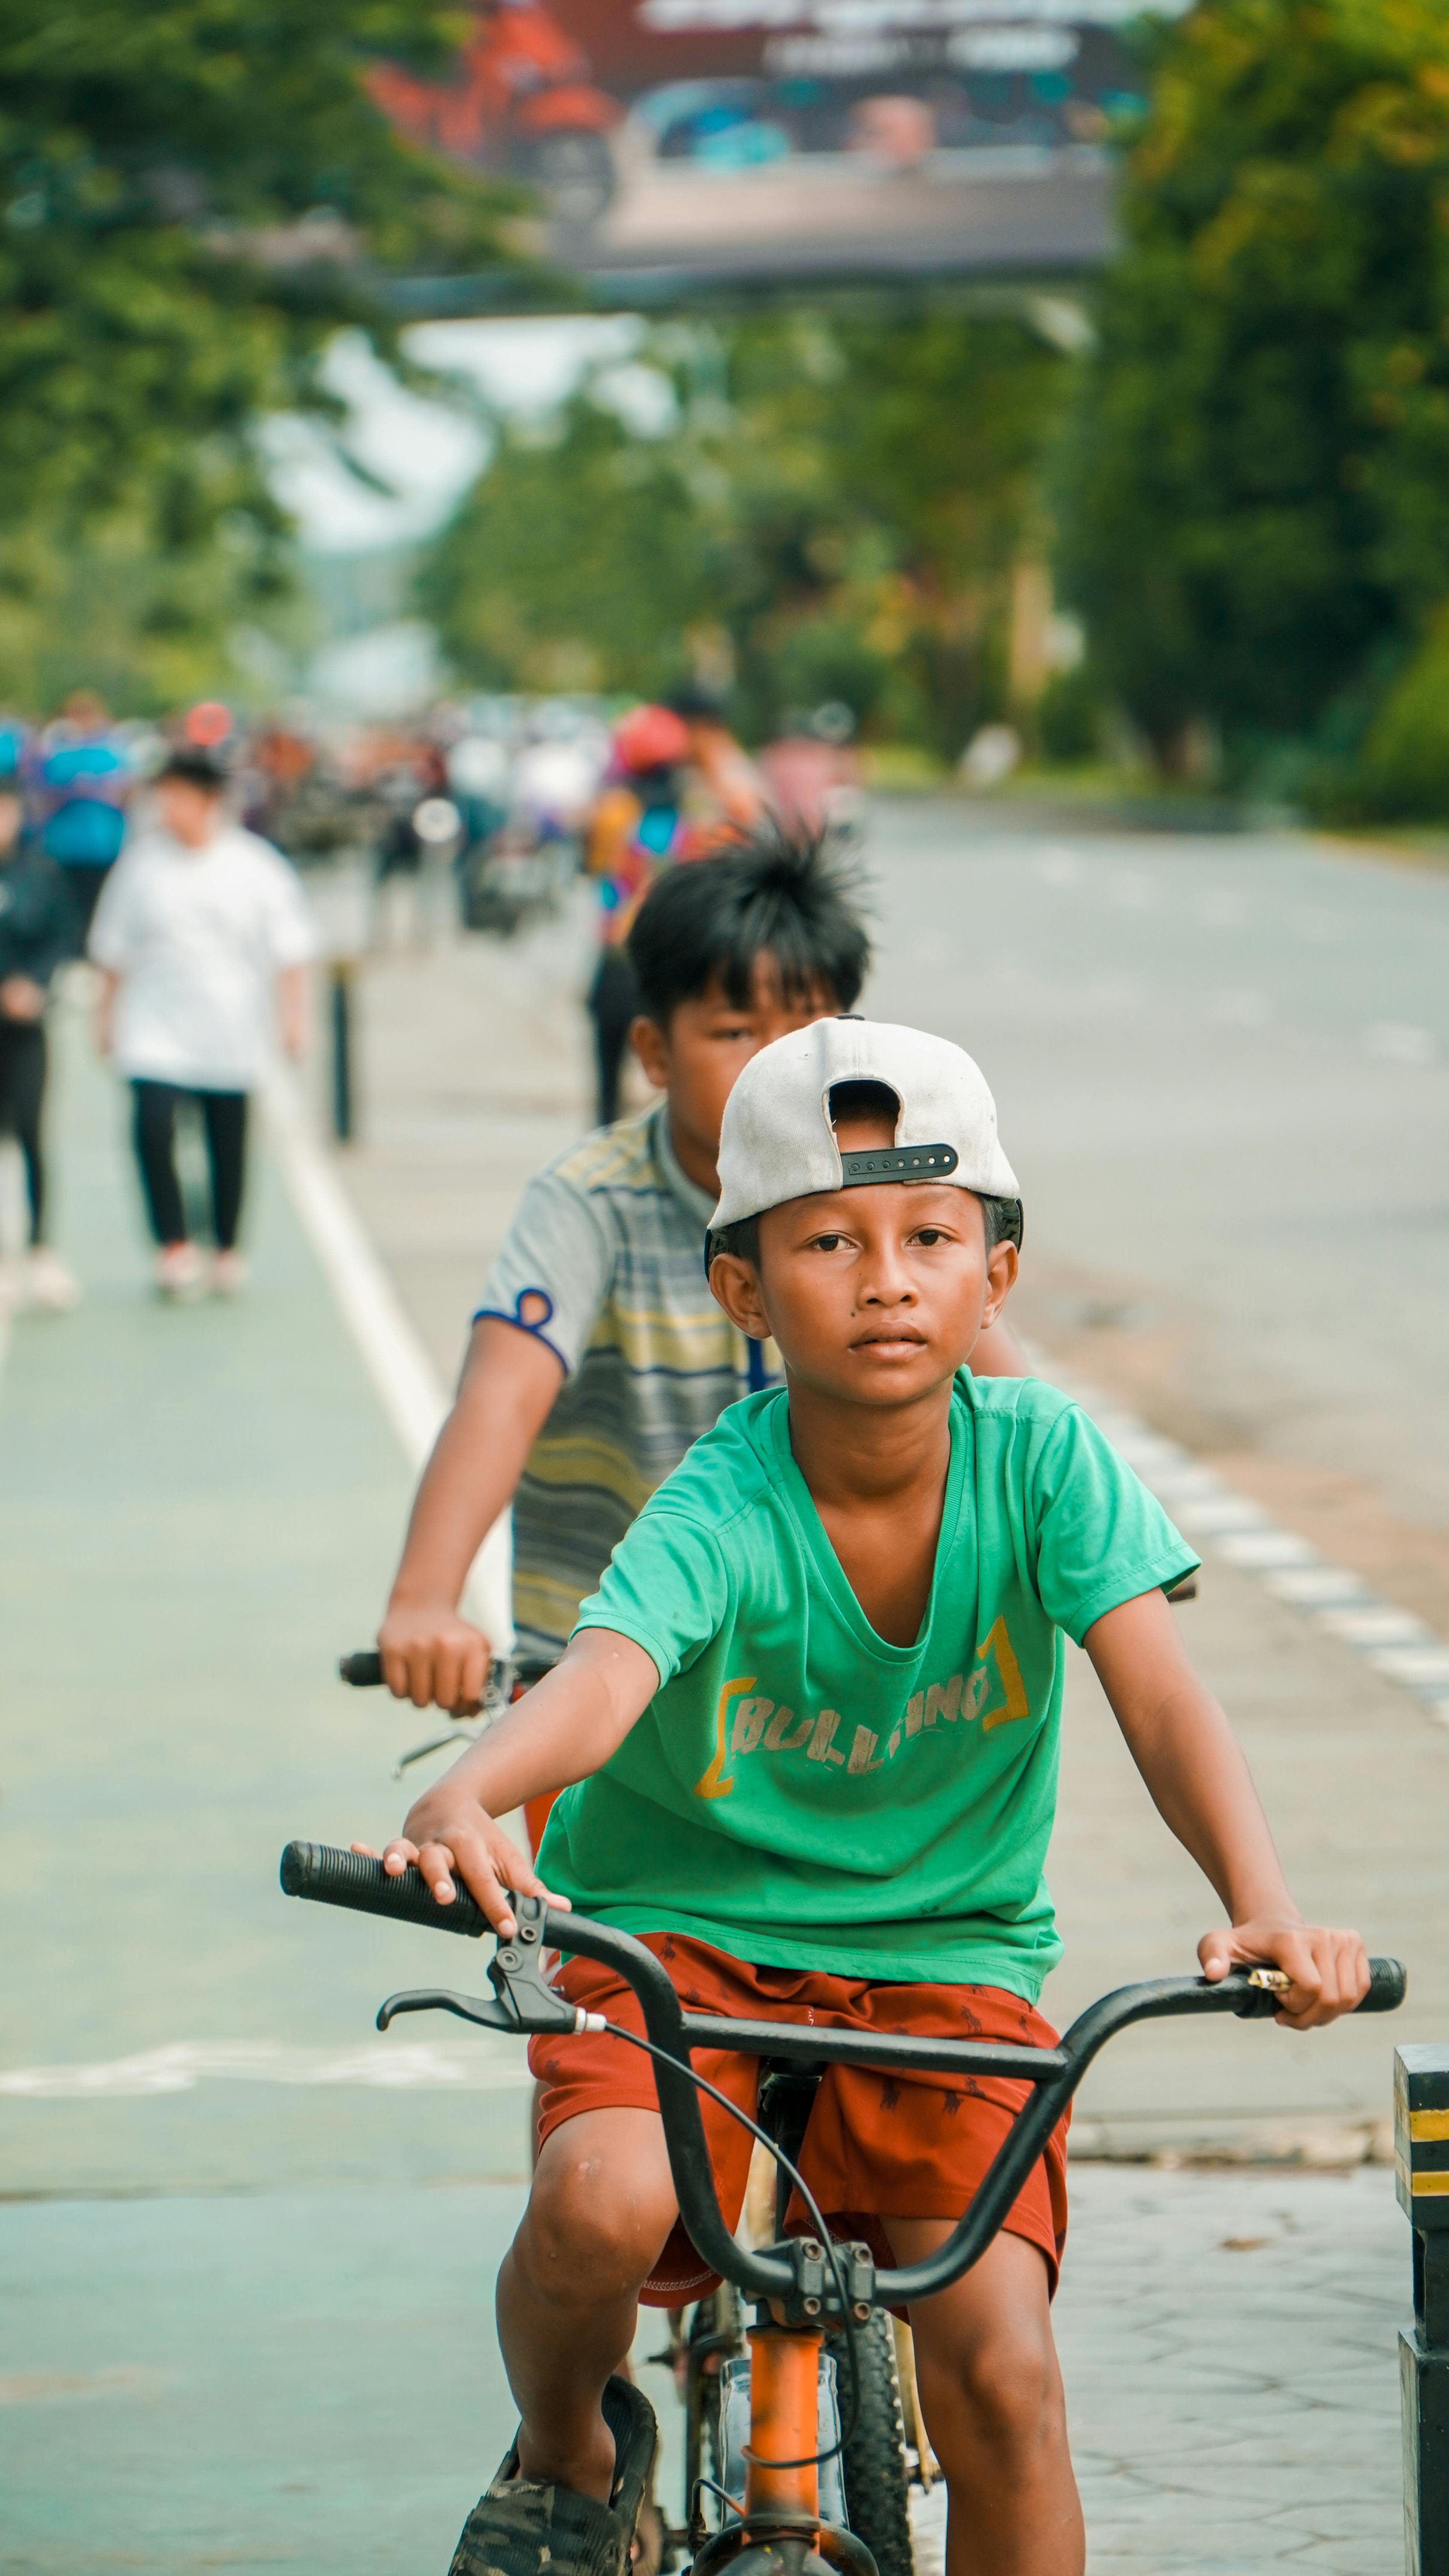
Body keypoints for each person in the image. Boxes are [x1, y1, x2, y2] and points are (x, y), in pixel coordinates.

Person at [367, 1014, 1371, 2576]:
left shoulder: (1043, 1460)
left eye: (928, 1234)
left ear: (996, 1271)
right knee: (594, 2203)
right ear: (741, 1289)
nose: (885, 1276)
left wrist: (1261, 1905)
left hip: (944, 1965)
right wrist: (466, 1793)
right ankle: (570, 2453)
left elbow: (1160, 1693)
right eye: (826, 1239)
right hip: (675, 1940)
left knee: (1000, 2372)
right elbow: (603, 1679)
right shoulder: (720, 1489)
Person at [89, 750, 315, 1299]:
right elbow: (113, 948)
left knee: (226, 1138)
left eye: (181, 798)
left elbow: (290, 951)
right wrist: (107, 1014)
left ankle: (227, 1247)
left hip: (228, 1025)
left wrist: (293, 1018)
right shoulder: (142, 865)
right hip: (154, 1023)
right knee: (153, 1127)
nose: (171, 810)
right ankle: (173, 1243)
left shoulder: (253, 865)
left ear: (211, 802)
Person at [0, 778, 82, 1310]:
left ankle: (40, 1248)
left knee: (31, 1133)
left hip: (25, 1029)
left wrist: (34, 983)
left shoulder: (39, 873)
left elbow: (62, 935)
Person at [30, 691, 132, 945]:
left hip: (103, 845)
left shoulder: (111, 752)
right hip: (66, 847)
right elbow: (43, 795)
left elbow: (126, 792)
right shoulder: (59, 753)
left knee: (101, 907)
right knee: (67, 908)